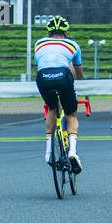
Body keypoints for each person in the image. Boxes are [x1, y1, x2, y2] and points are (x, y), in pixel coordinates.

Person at [33, 16, 84, 173]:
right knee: (71, 114)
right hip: (63, 76)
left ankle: (48, 153)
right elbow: (78, 73)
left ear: (48, 32)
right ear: (66, 31)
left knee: (52, 108)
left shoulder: (38, 43)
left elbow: (38, 67)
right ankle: (73, 152)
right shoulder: (73, 44)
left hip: (43, 78)